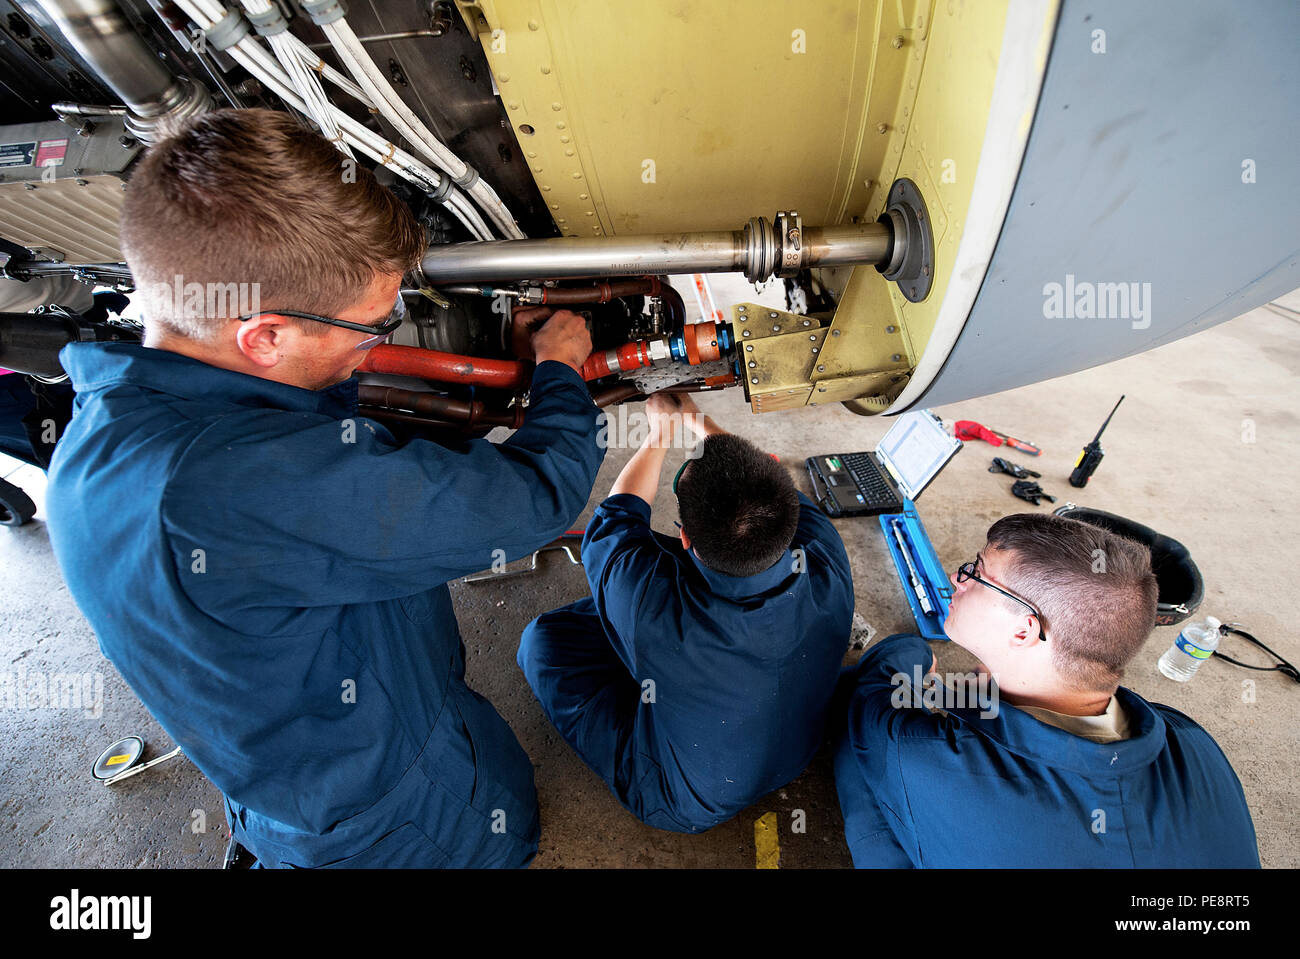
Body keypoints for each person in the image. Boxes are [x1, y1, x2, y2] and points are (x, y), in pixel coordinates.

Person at [45, 108, 604, 867]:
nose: (380, 343)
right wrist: (563, 372)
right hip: (397, 809)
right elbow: (534, 497)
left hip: (288, 778)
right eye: (373, 324)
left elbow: (319, 439)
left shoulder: (109, 424)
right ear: (264, 335)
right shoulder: (242, 486)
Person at [832, 512, 1260, 867]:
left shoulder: (925, 754)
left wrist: (911, 649)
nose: (956, 578)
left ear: (1024, 630)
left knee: (854, 731)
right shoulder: (1192, 738)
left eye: (977, 574)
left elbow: (878, 691)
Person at [518, 393, 855, 832]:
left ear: (686, 537)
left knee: (541, 644)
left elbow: (617, 520)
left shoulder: (651, 610)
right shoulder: (827, 556)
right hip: (796, 751)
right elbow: (767, 485)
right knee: (645, 594)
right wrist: (700, 422)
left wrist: (662, 431)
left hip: (689, 800)